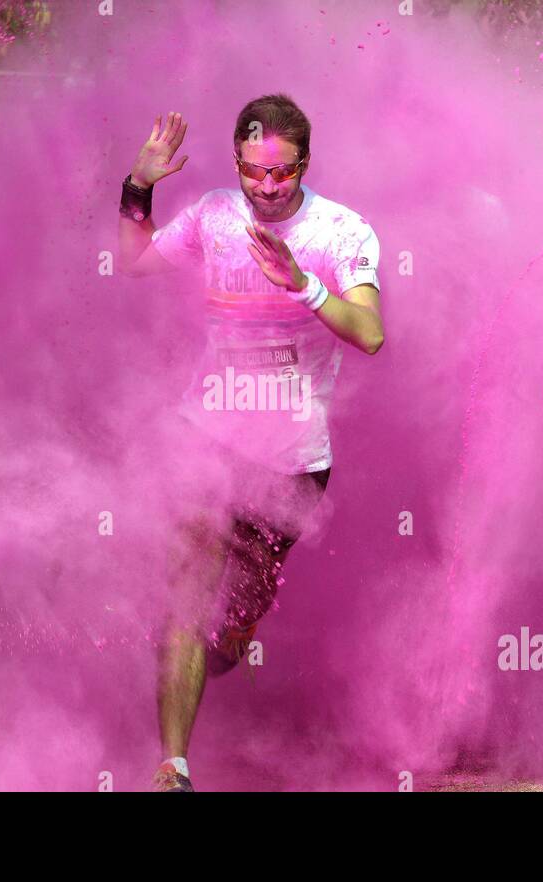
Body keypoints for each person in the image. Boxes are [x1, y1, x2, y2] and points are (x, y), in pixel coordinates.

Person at [118, 95, 383, 791]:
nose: (268, 188)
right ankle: (173, 766)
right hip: (206, 436)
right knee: (185, 596)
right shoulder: (211, 214)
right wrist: (138, 185)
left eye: (283, 174)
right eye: (255, 173)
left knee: (232, 630)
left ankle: (235, 636)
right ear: (237, 162)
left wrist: (303, 285)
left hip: (294, 463)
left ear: (304, 164)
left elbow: (370, 334)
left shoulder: (340, 231)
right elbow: (136, 261)